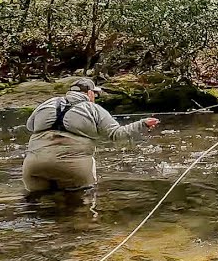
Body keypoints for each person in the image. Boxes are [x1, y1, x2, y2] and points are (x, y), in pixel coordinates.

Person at [22, 78, 160, 194]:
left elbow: (30, 127)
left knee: (39, 209)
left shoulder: (48, 103)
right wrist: (143, 124)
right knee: (83, 206)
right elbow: (117, 134)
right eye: (95, 94)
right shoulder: (93, 108)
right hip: (74, 168)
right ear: (89, 93)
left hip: (35, 166)